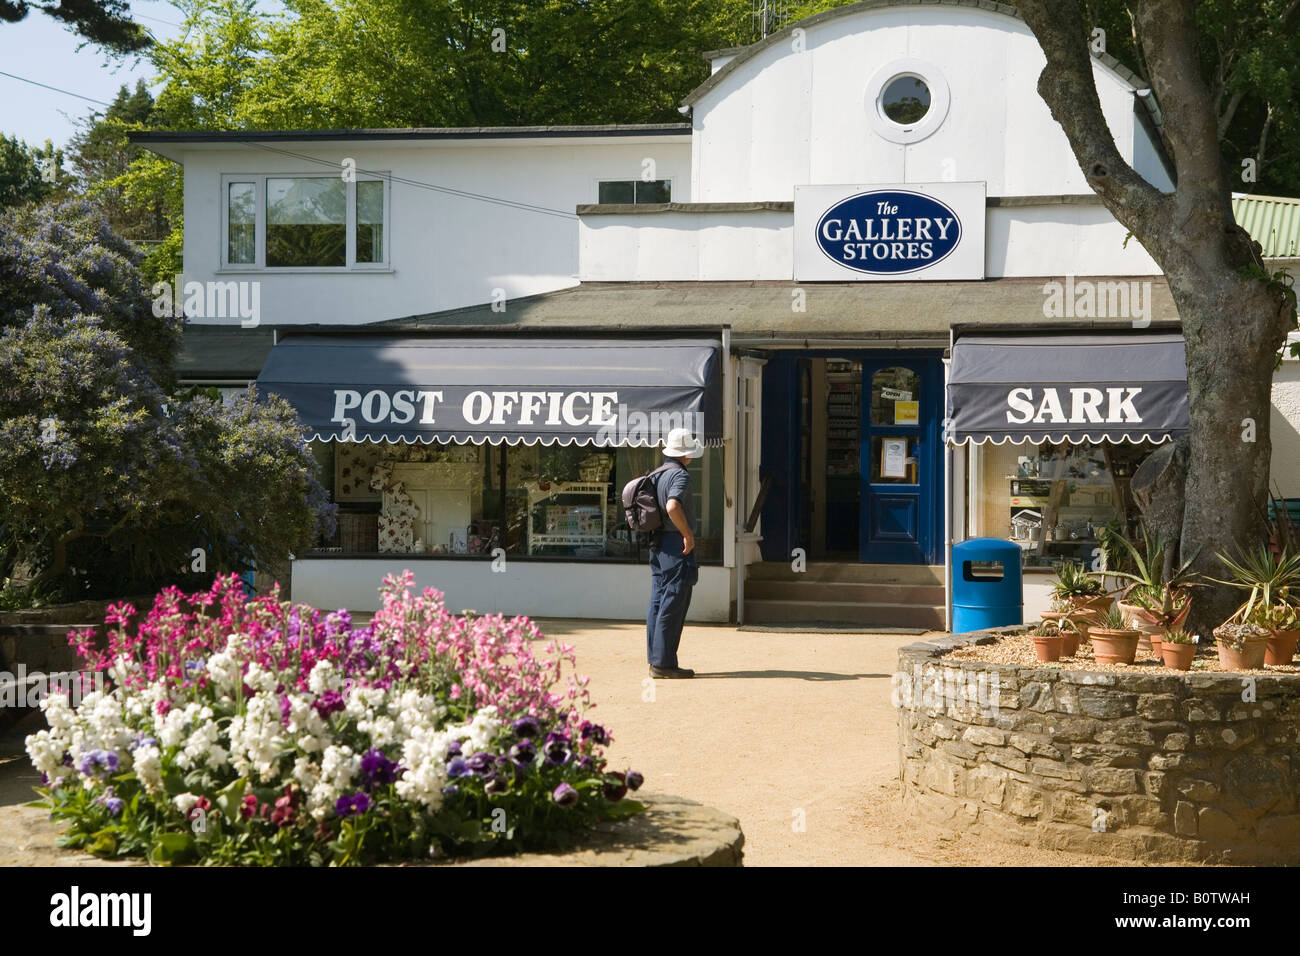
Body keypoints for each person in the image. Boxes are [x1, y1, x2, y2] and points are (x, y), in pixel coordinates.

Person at [646, 427, 703, 679]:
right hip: (674, 545)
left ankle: (656, 659)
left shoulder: (657, 473)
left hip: (657, 545)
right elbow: (672, 506)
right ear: (686, 454)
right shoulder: (680, 475)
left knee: (658, 602)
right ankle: (664, 663)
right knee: (673, 601)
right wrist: (687, 535)